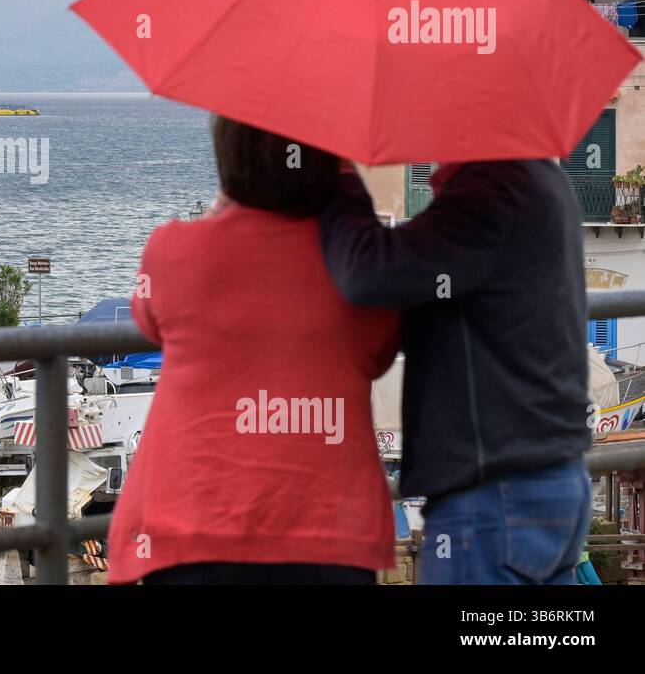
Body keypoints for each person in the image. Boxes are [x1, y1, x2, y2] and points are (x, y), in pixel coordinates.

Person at [107, 116, 400, 585]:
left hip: (191, 525)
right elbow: (380, 352)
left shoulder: (174, 250)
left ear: (227, 160)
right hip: (329, 530)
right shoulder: (360, 274)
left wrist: (223, 210)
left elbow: (148, 319)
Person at [319, 161, 592, 585]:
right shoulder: (539, 180)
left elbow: (369, 274)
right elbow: (474, 308)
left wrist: (341, 181)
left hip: (493, 498)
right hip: (551, 483)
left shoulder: (488, 191)